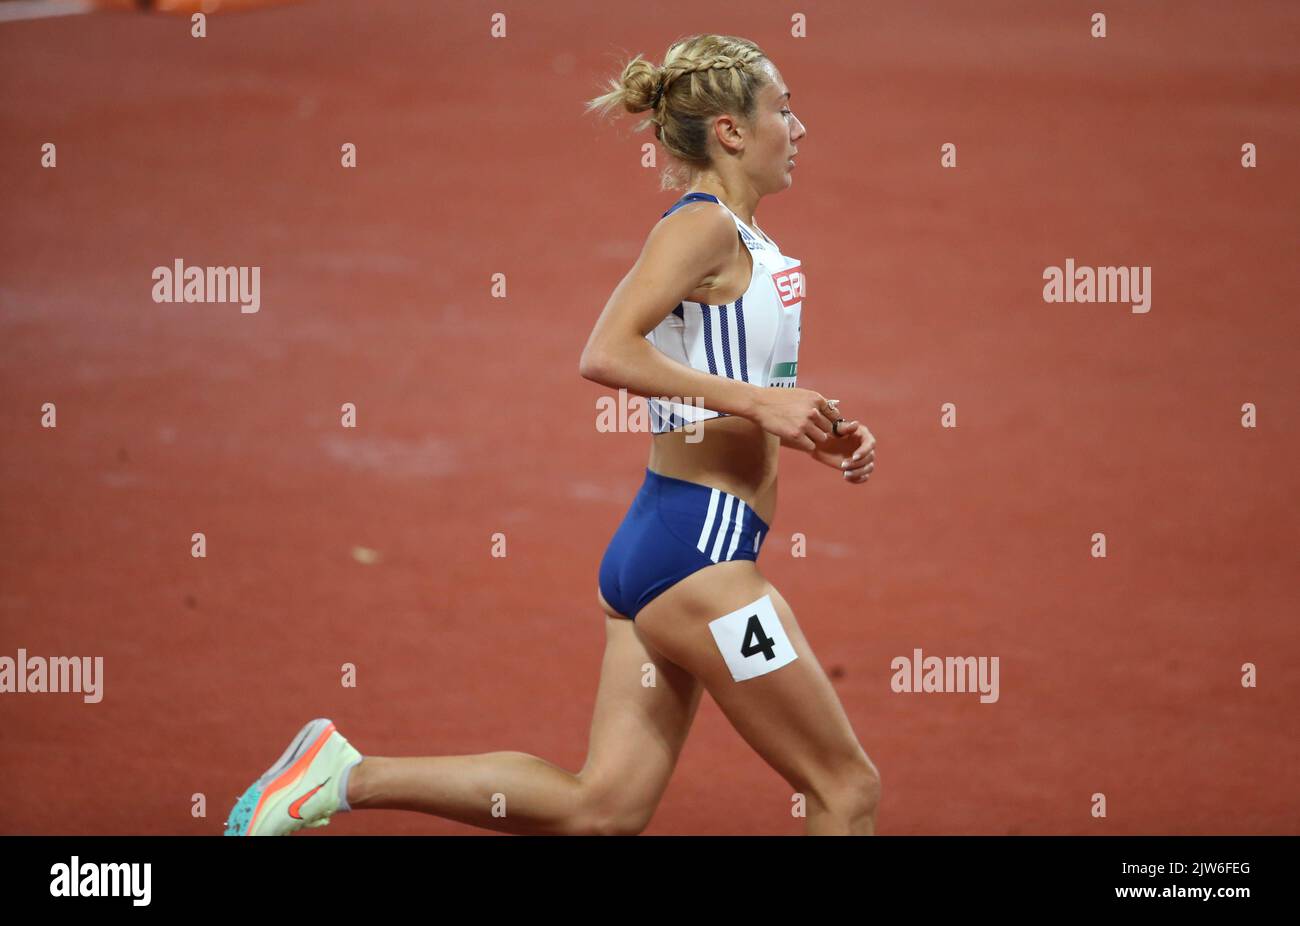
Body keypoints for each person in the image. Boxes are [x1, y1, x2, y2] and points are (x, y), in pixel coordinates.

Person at [224, 33, 880, 838]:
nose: (800, 127)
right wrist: (757, 404)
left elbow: (727, 384)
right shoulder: (701, 226)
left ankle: (346, 774)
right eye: (783, 109)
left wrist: (807, 430)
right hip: (703, 562)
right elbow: (605, 352)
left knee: (601, 810)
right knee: (844, 788)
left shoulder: (751, 243)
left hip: (662, 539)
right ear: (731, 131)